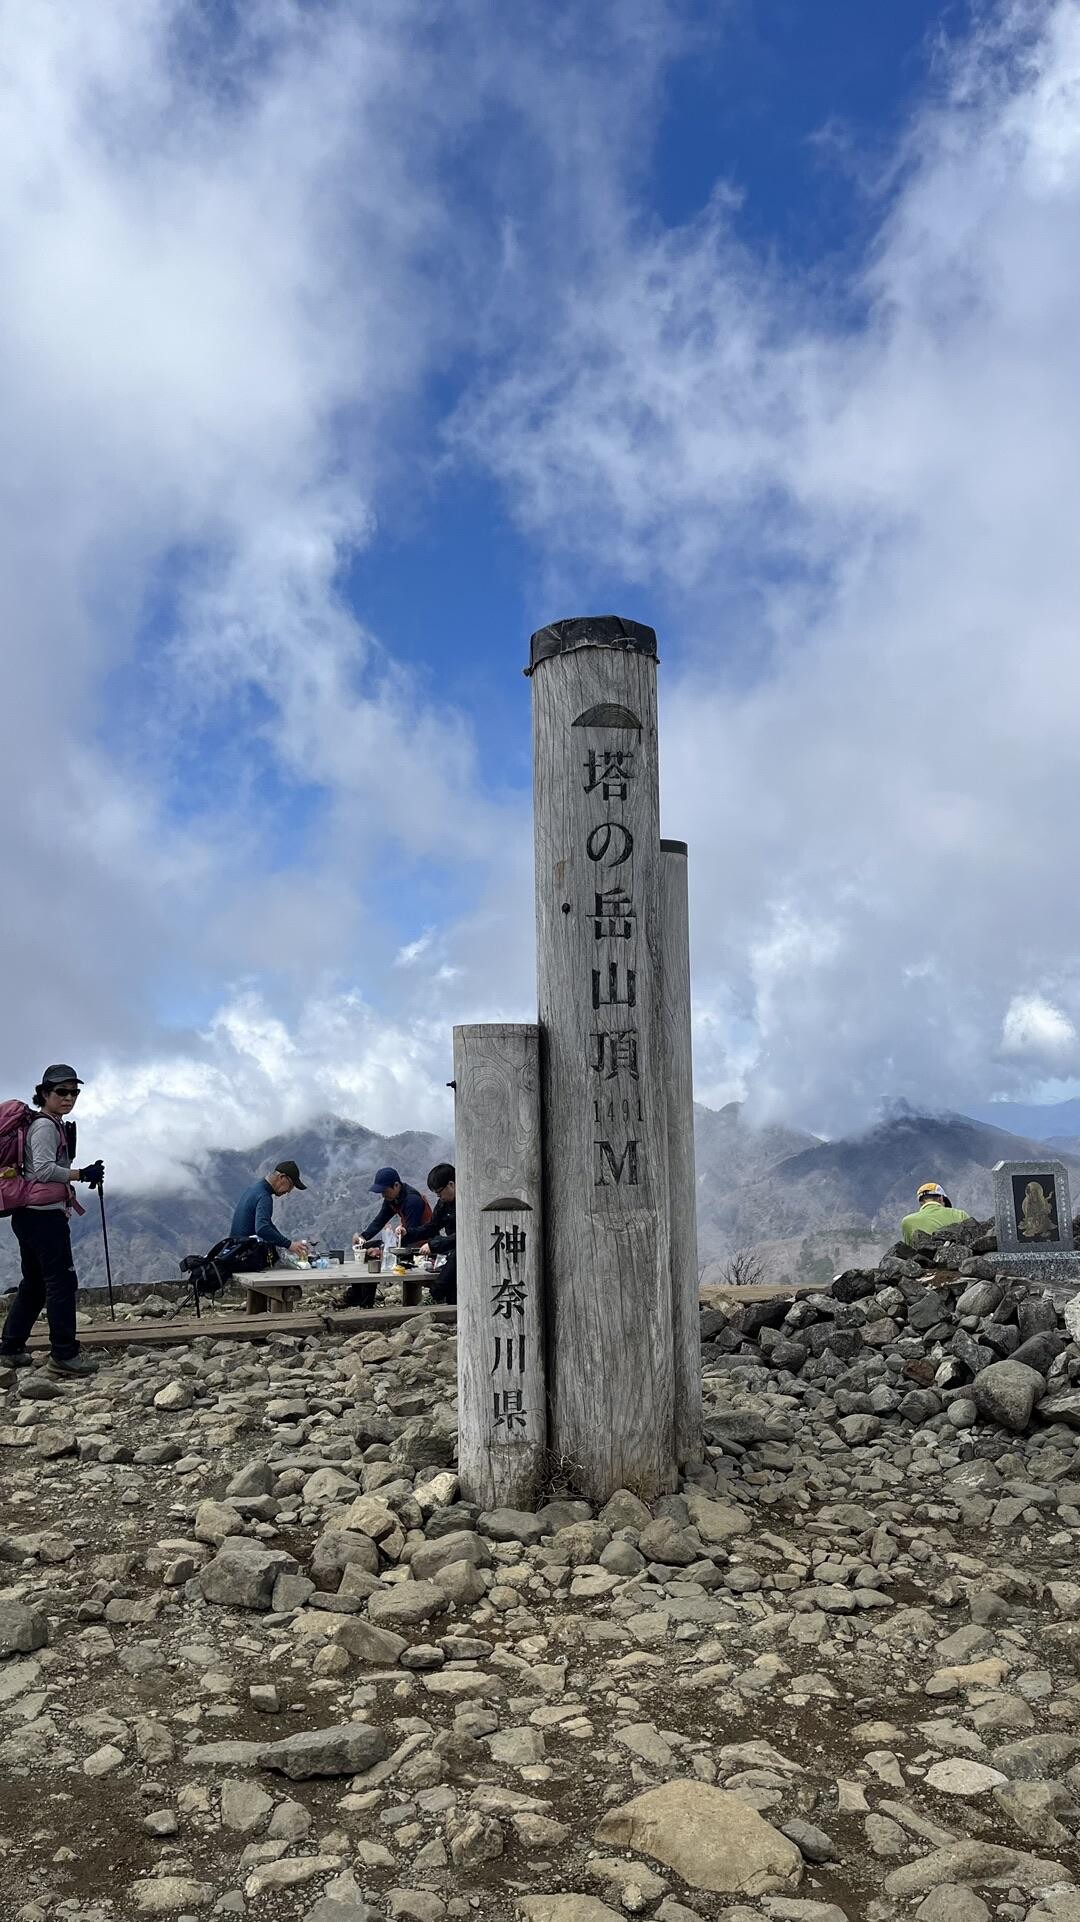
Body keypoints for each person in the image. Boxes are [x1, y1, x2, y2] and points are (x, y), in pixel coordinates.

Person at [1, 1065, 105, 1378]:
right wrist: (81, 1174)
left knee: (34, 1284)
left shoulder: (49, 1123)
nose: (69, 1098)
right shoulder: (45, 1127)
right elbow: (44, 1170)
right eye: (61, 1092)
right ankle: (64, 1354)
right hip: (43, 1218)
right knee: (61, 1282)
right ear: (45, 1093)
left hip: (29, 1216)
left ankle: (11, 1348)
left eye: (74, 1092)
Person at [344, 1165, 431, 1306]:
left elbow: (412, 1234)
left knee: (374, 1255)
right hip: (405, 1242)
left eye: (385, 1191)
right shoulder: (393, 1199)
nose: (383, 1195)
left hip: (421, 1247)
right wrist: (363, 1237)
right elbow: (380, 1220)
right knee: (365, 1248)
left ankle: (365, 1302)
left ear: (396, 1185)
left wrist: (384, 1250)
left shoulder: (412, 1200)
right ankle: (357, 1296)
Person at [230, 1160, 310, 1261]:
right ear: (282, 1177)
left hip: (234, 1251)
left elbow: (268, 1224)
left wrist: (287, 1243)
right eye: (290, 1185)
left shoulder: (255, 1189)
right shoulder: (264, 1196)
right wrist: (289, 1244)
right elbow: (262, 1228)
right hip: (244, 1256)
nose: (289, 1191)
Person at [402, 1162, 456, 1304]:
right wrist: (407, 1233)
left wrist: (433, 1245)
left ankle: (435, 1296)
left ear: (451, 1184)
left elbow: (464, 1236)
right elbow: (431, 1227)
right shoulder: (444, 1203)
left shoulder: (468, 1202)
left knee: (457, 1255)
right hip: (450, 1247)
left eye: (439, 1192)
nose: (439, 1197)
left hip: (464, 1247)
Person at [900, 1181, 971, 1246]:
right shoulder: (960, 1214)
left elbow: (910, 1249)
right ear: (941, 1198)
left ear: (921, 1203)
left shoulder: (907, 1221)